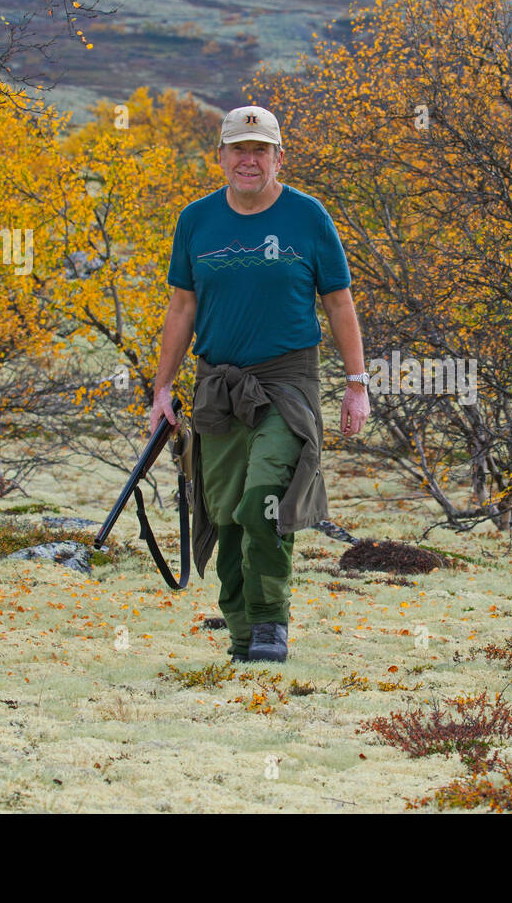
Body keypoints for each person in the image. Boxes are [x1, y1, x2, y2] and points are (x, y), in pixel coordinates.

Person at [148, 105, 369, 663]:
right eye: (238, 149)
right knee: (222, 511)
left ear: (278, 157)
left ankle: (271, 623)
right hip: (217, 387)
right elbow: (182, 305)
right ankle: (243, 633)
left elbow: (338, 302)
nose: (249, 160)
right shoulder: (195, 220)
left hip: (286, 384)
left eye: (260, 150)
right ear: (221, 156)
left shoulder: (308, 216)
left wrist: (357, 383)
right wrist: (162, 389)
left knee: (263, 498)